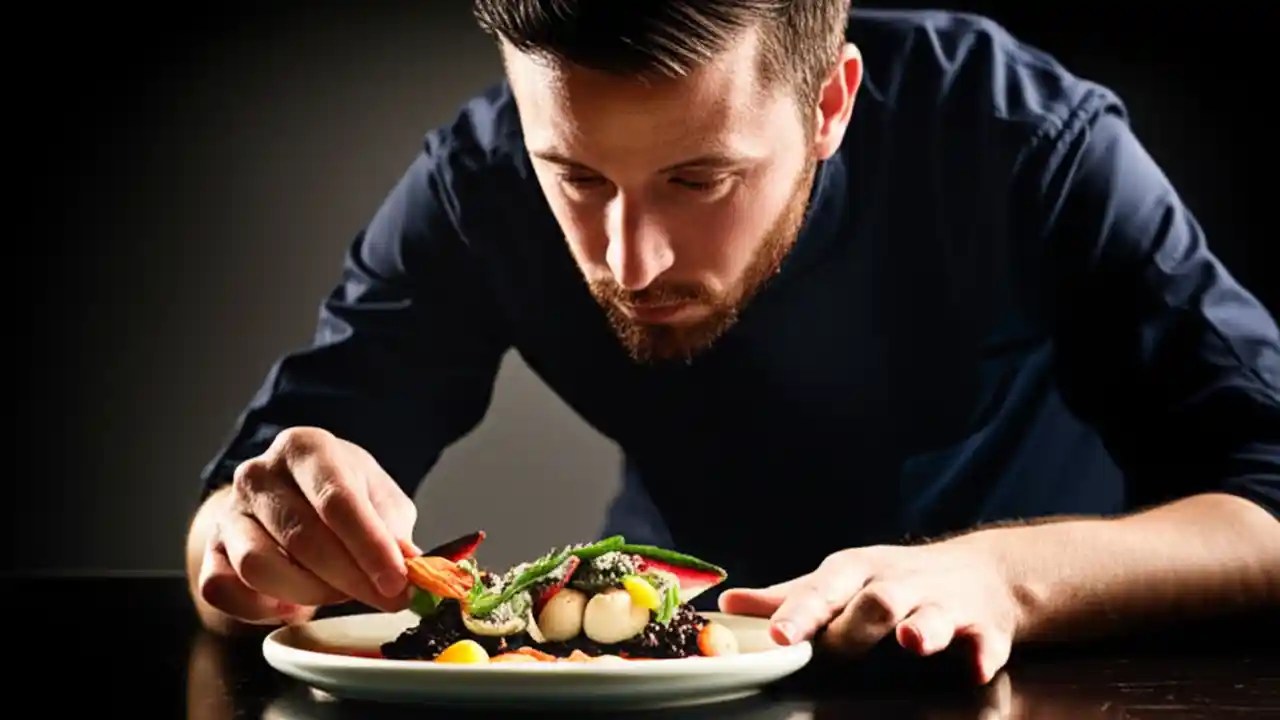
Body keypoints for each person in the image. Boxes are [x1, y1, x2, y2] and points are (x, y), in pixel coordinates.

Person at [184, 1, 1280, 683]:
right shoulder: (475, 179)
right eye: (572, 177)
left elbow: (1267, 506)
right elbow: (230, 537)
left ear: (828, 107)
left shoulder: (1025, 137)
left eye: (698, 180)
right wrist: (255, 542)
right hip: (663, 675)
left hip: (1040, 674)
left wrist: (1001, 576)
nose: (630, 259)